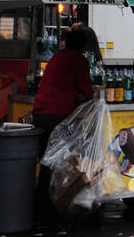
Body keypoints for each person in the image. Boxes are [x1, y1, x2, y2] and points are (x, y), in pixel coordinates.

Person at [31, 28, 95, 219]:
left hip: (41, 113)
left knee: (46, 161)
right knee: (60, 163)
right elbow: (87, 90)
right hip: (57, 117)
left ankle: (41, 205)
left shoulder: (57, 57)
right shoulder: (79, 60)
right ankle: (53, 207)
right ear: (82, 45)